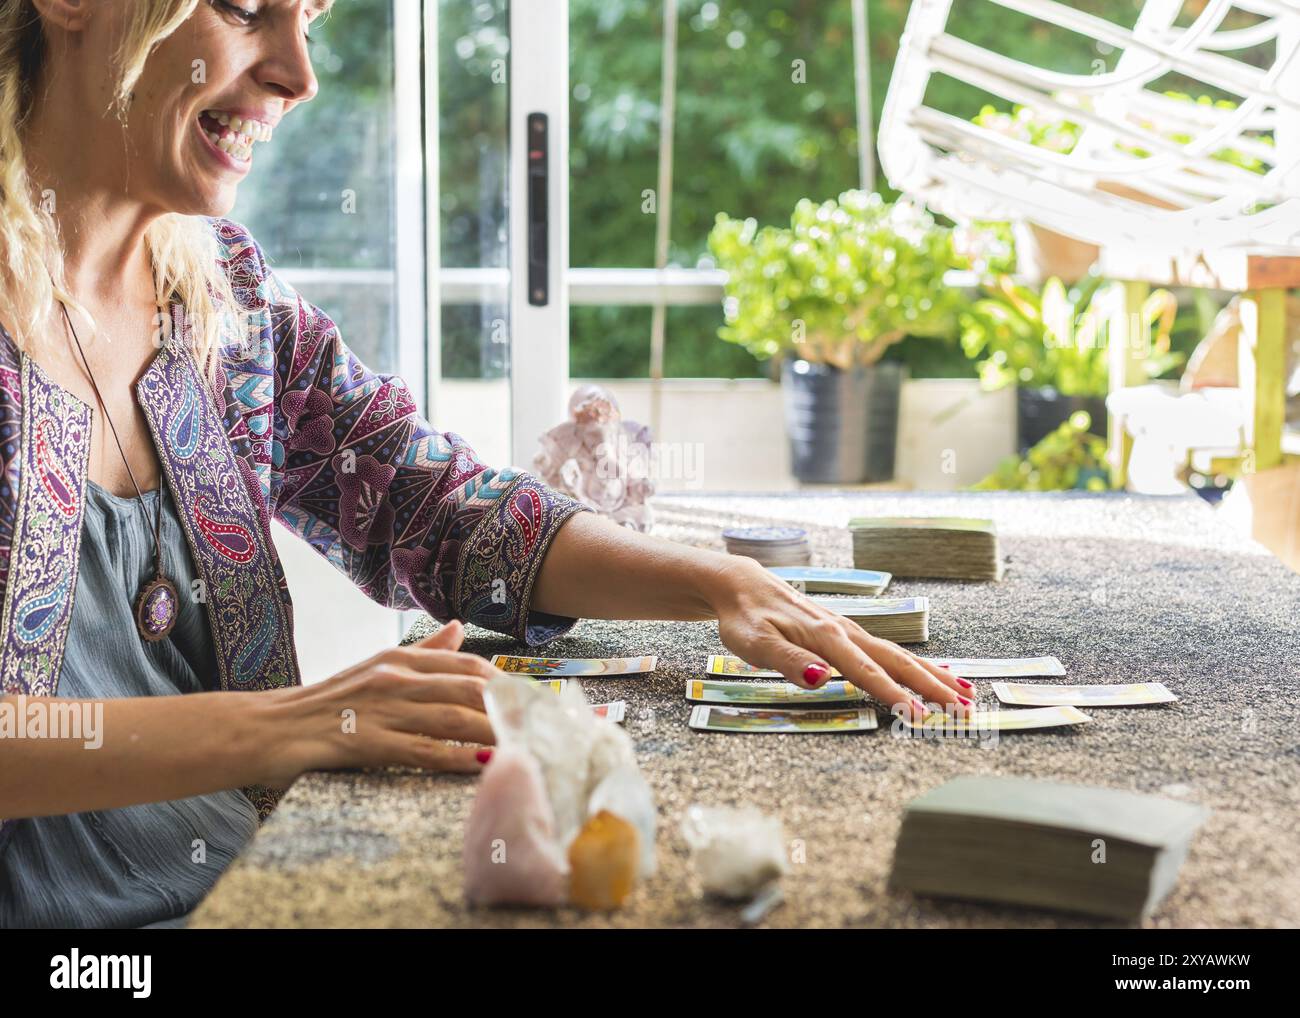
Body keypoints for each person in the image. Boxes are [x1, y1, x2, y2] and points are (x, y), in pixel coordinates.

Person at [0, 0, 972, 928]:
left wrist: (723, 585)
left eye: (316, 19)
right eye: (249, 9)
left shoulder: (228, 302)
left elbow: (440, 506)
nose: (299, 74)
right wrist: (292, 722)